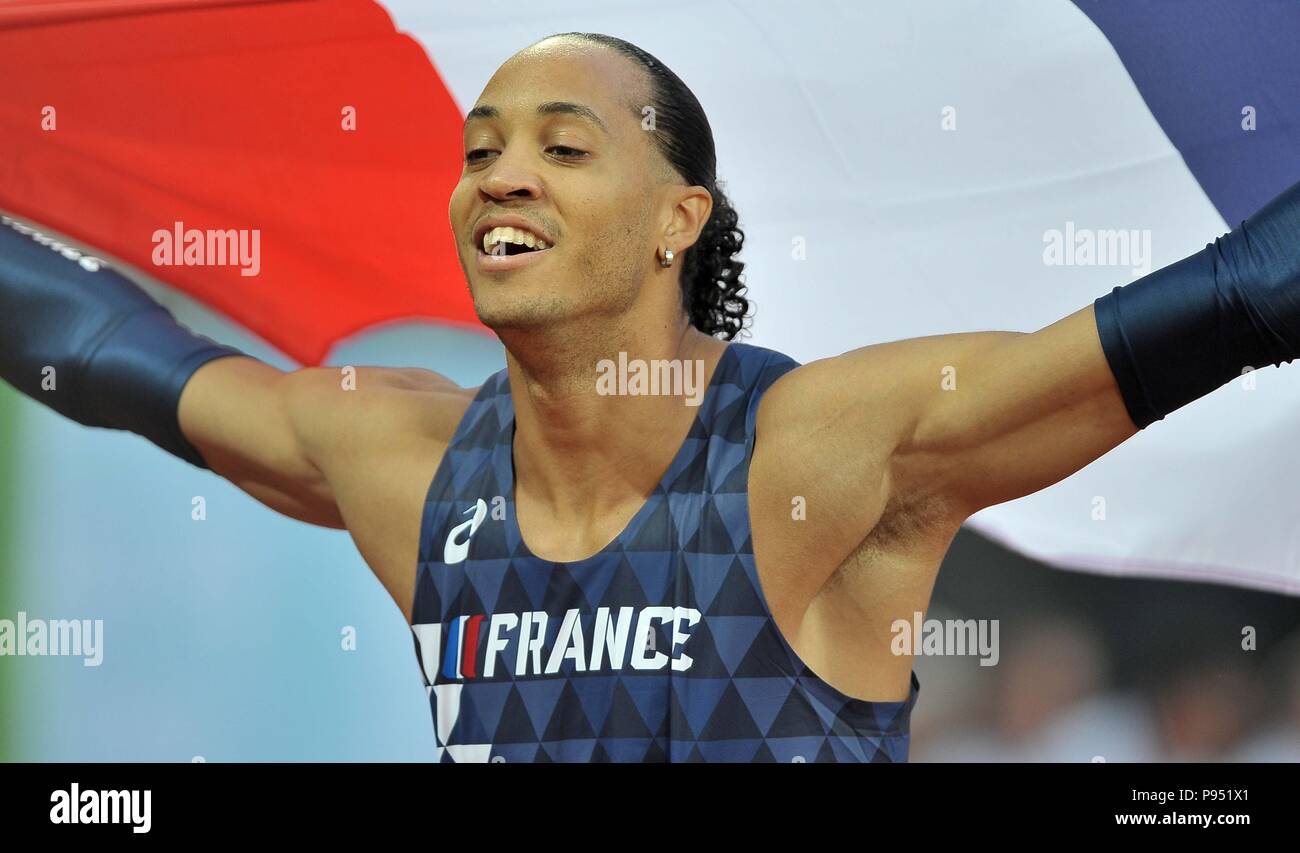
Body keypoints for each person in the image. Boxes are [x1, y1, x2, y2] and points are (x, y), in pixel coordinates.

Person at [2, 32, 1298, 762]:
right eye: (481, 151)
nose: (503, 176)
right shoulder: (402, 462)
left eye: (564, 148)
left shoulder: (825, 448)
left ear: (683, 215)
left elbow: (1230, 301)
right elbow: (116, 355)